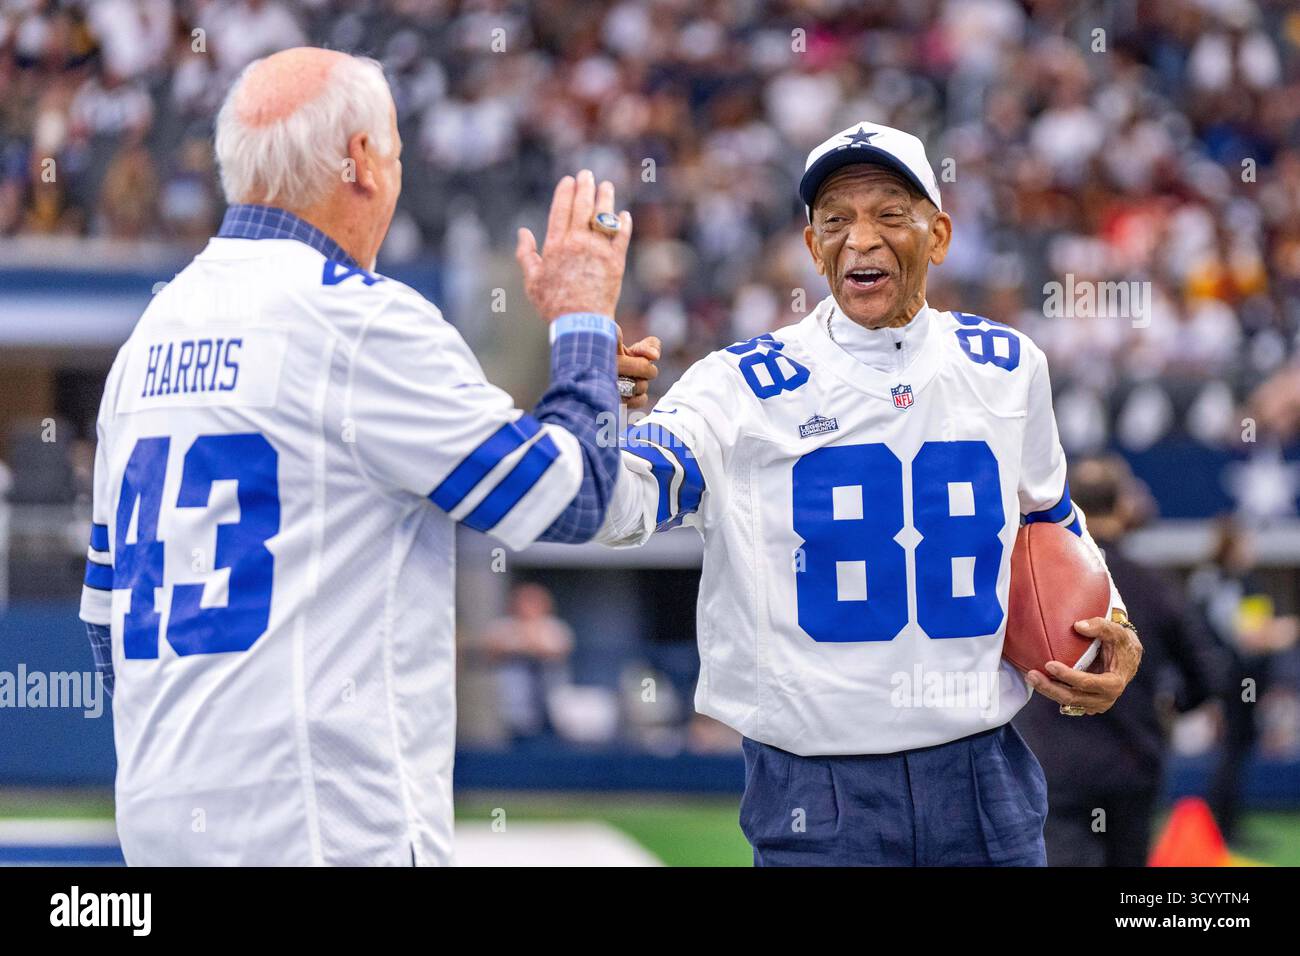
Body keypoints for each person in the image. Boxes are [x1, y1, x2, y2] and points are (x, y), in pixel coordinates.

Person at [77, 47, 652, 866]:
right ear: (359, 162)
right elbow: (571, 496)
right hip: (326, 835)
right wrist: (582, 322)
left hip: (162, 836)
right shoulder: (363, 322)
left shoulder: (147, 339)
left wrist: (587, 390)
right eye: (395, 152)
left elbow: (105, 632)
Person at [597, 121, 1143, 866]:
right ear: (811, 246)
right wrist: (601, 411)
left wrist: (1108, 614)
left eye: (890, 214)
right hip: (815, 788)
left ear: (939, 234)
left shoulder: (1009, 366)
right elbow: (623, 510)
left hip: (984, 771)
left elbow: (1047, 517)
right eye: (836, 221)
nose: (861, 239)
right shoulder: (739, 384)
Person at [1015, 456, 1229, 866]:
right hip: (1130, 761)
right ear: (1123, 507)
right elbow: (1207, 674)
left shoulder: (1023, 585)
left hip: (1051, 762)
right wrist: (1170, 708)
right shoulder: (1154, 586)